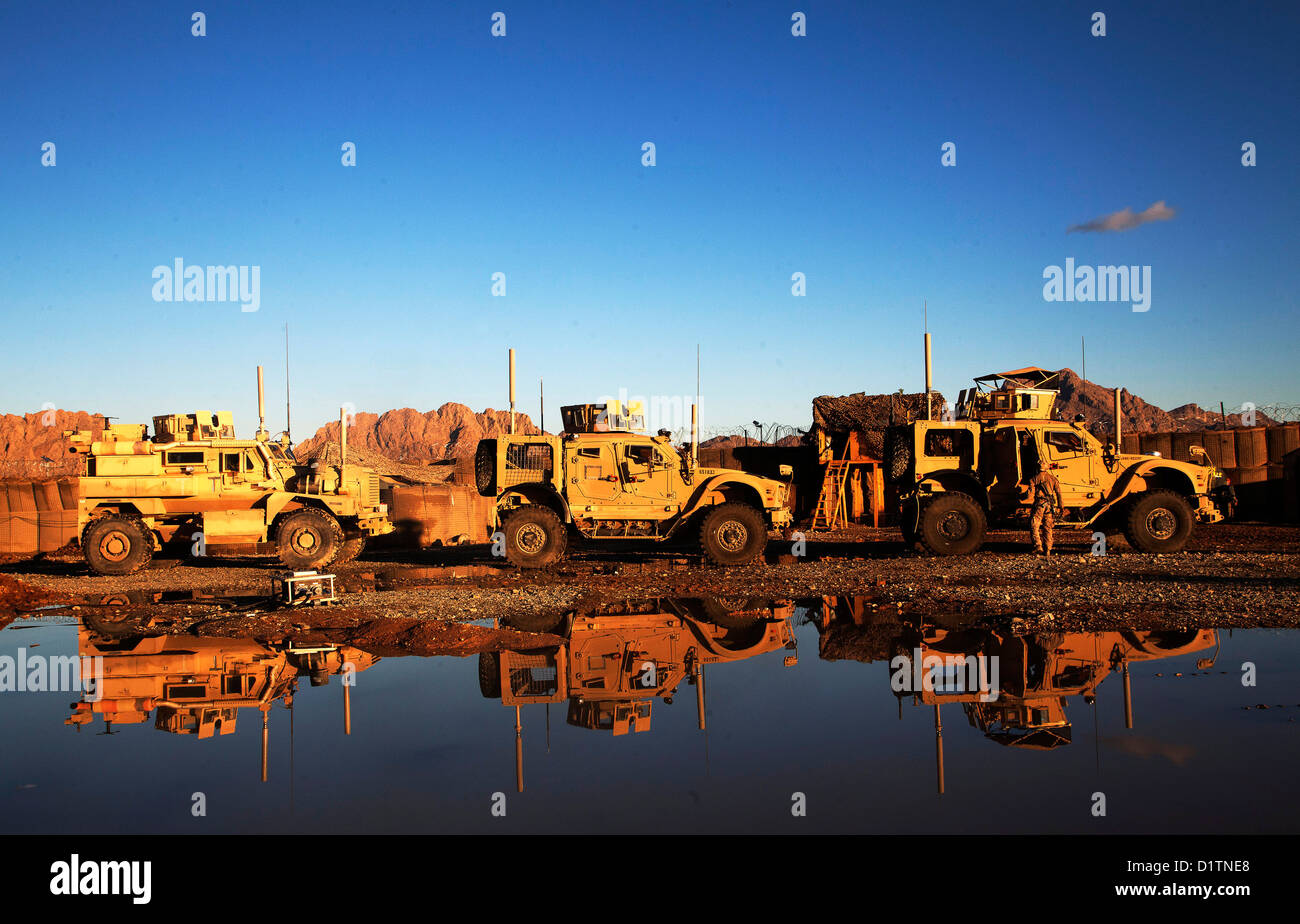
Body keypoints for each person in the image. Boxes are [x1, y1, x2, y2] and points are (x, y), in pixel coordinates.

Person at [1025, 465, 1064, 555]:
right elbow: (1059, 493)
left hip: (1039, 504)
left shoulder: (1034, 479)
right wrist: (1061, 506)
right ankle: (1048, 549)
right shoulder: (1053, 479)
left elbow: (1029, 495)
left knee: (1034, 524)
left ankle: (1038, 546)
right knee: (1048, 526)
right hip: (1050, 505)